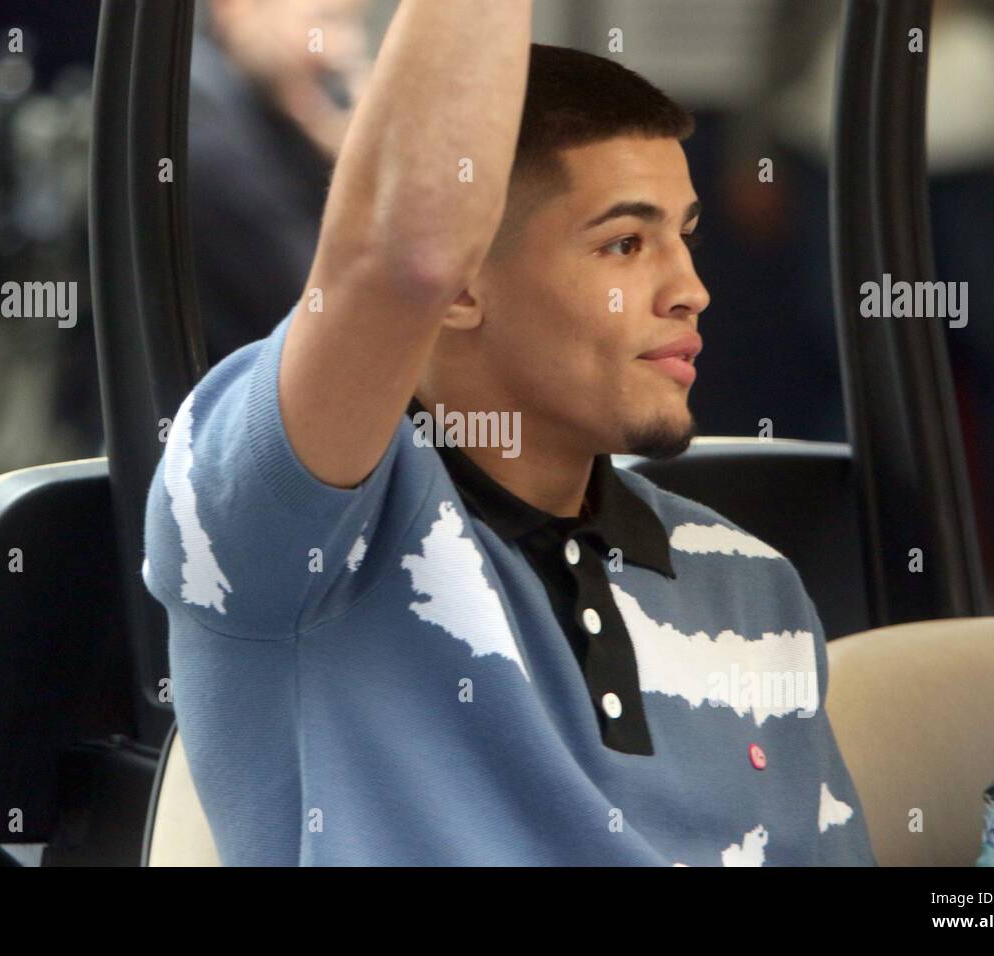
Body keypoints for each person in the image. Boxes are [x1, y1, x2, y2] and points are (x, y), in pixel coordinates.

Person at [142, 0, 875, 866]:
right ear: (458, 288)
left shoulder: (757, 586)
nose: (690, 288)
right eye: (624, 244)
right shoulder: (304, 541)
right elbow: (401, 251)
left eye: (684, 235)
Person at [189, 0, 371, 365]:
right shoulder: (202, 133)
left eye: (354, 24)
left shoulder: (268, 110)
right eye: (326, 19)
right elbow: (333, 327)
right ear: (237, 8)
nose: (343, 50)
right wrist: (366, 171)